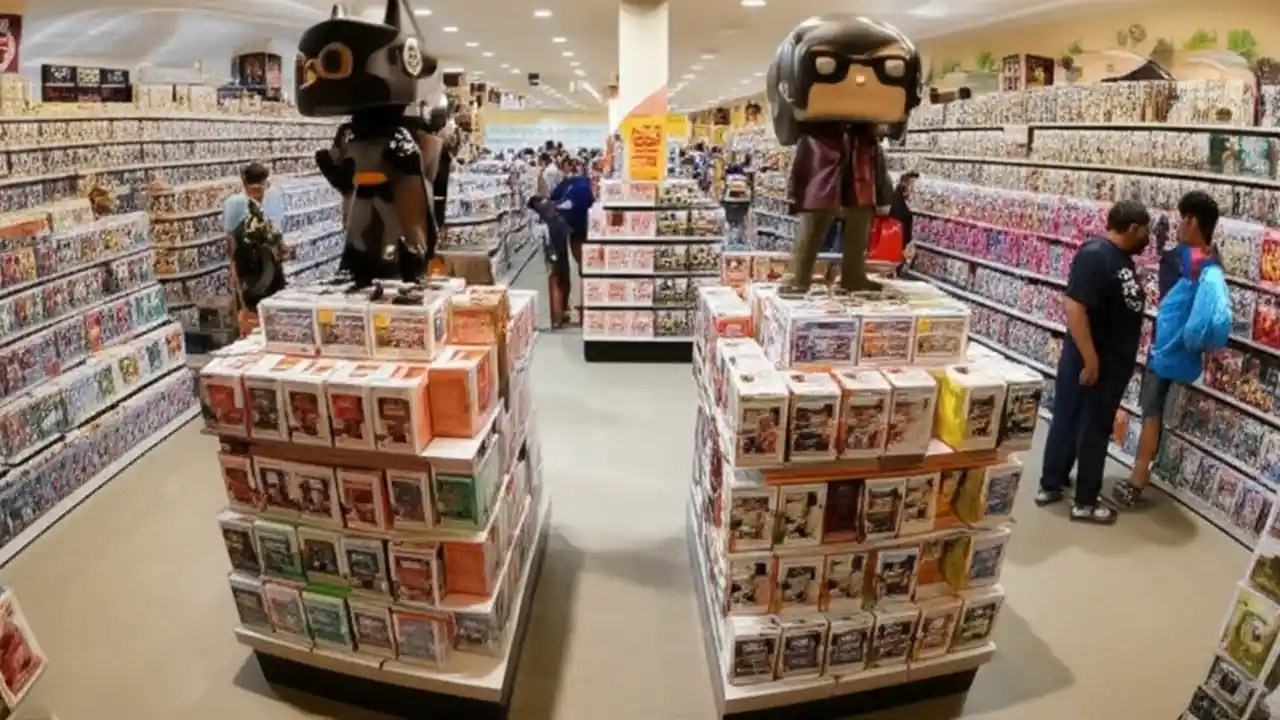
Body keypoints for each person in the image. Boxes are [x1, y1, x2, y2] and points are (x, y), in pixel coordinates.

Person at [1036, 200, 1151, 524]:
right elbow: (1075, 307)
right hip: (1095, 359)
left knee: (1073, 419)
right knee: (1091, 426)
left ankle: (1054, 483)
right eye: (1145, 230)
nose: (1147, 238)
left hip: (1102, 359)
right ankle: (1085, 501)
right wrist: (1091, 359)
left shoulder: (1116, 258)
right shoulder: (1095, 255)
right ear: (1132, 228)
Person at [1114, 192, 1230, 507]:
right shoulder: (1213, 261)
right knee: (1166, 411)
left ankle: (1136, 483)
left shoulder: (1175, 259)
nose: (1179, 225)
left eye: (1183, 218)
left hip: (1164, 349)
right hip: (1191, 354)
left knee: (1151, 411)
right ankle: (1152, 472)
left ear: (1193, 221)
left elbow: (1166, 302)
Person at [223, 162, 287, 336]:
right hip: (257, 266)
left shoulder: (236, 203)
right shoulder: (247, 203)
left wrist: (233, 266)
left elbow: (231, 239)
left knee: (257, 310)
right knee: (259, 311)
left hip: (257, 266)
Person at [526, 194, 574, 328]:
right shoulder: (553, 210)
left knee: (555, 280)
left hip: (554, 237)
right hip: (559, 233)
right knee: (563, 276)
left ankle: (557, 315)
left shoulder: (541, 218)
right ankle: (562, 311)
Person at [549, 159, 595, 281]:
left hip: (569, 219)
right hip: (579, 217)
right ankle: (583, 265)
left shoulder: (568, 182)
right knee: (579, 237)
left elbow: (554, 197)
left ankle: (581, 265)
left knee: (576, 238)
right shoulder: (583, 183)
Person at [891, 172, 919, 272]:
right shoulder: (899, 201)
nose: (914, 189)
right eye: (912, 185)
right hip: (898, 243)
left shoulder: (897, 197)